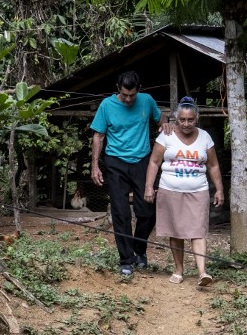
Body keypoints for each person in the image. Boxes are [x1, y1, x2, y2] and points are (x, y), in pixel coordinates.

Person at [91, 71, 168, 277]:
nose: (128, 99)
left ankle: (139, 250)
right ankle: (126, 259)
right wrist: (95, 166)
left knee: (147, 211)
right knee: (121, 212)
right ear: (118, 88)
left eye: (132, 95)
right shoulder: (107, 105)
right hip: (115, 162)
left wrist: (165, 124)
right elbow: (98, 136)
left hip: (142, 161)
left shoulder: (146, 101)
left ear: (138, 90)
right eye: (124, 95)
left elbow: (162, 119)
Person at [144, 96, 224, 286]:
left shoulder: (205, 137)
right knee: (176, 231)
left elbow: (213, 166)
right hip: (170, 189)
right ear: (176, 119)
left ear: (196, 119)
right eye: (182, 120)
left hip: (198, 190)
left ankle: (202, 272)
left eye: (190, 120)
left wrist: (219, 189)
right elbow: (154, 162)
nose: (186, 123)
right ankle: (178, 270)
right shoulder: (166, 135)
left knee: (198, 231)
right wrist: (149, 186)